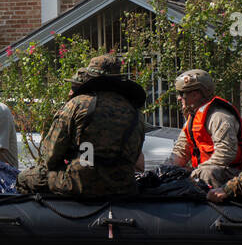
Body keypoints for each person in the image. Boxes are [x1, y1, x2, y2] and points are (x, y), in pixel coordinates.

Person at [16, 54, 146, 198]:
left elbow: (50, 157)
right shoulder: (136, 113)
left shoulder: (78, 104)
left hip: (79, 185)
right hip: (124, 187)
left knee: (24, 178)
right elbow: (135, 158)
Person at [168, 69, 242, 187]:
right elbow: (181, 150)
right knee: (172, 172)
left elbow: (226, 152)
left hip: (233, 174)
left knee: (206, 173)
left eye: (182, 93)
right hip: (206, 170)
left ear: (196, 94)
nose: (179, 98)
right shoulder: (192, 118)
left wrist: (197, 172)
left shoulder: (219, 116)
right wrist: (169, 168)